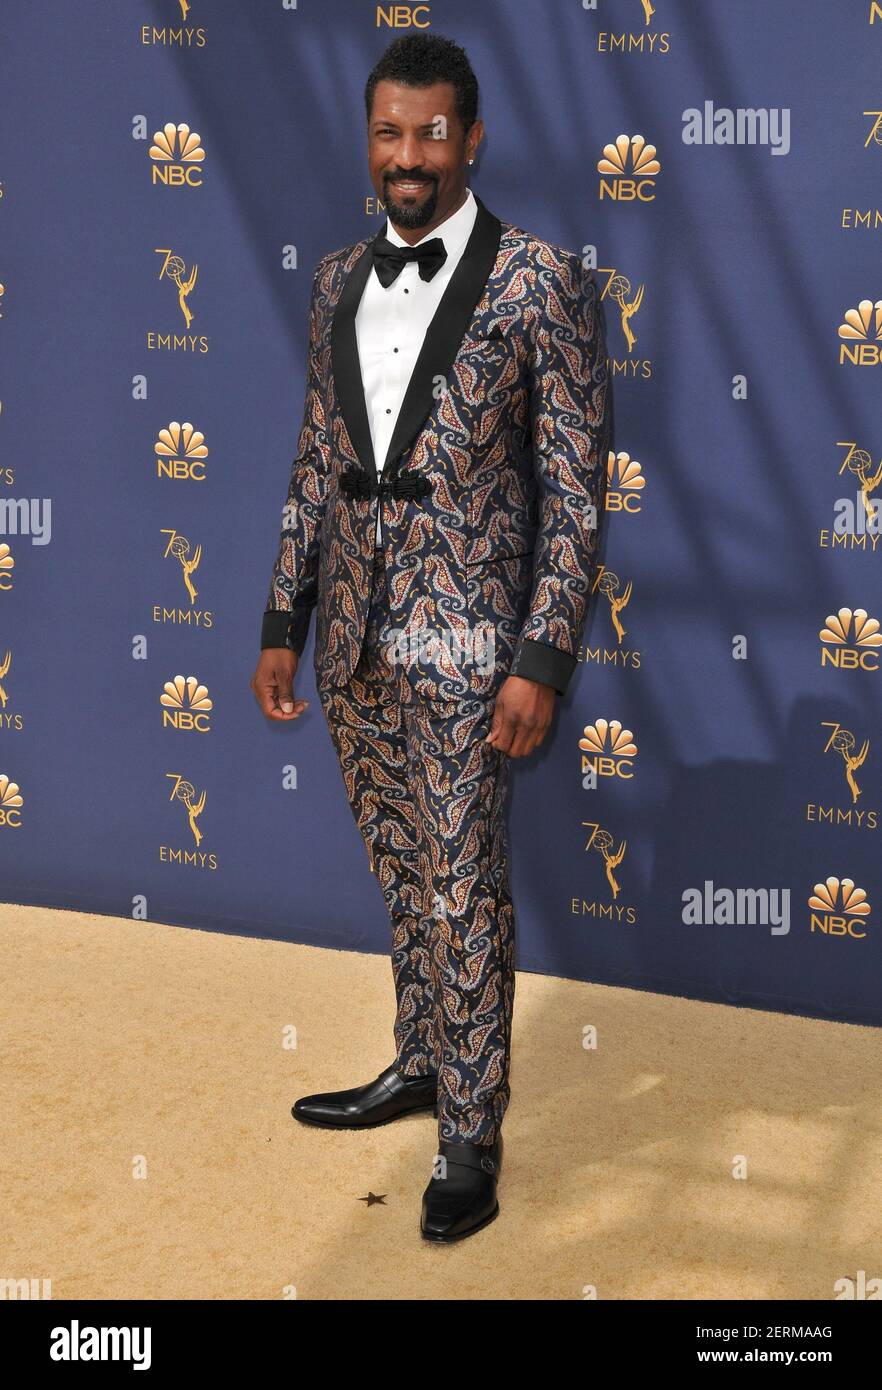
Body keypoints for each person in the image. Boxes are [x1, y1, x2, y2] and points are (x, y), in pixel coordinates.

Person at [251, 31, 614, 1243]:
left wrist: (542, 656)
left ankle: (472, 1129)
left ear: (473, 139)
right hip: (354, 633)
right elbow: (316, 462)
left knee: (465, 885)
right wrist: (280, 621)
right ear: (372, 140)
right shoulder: (337, 282)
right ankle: (420, 1057)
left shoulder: (540, 282)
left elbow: (574, 492)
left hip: (468, 641)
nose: (408, 156)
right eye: (389, 133)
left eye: (431, 132)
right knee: (407, 870)